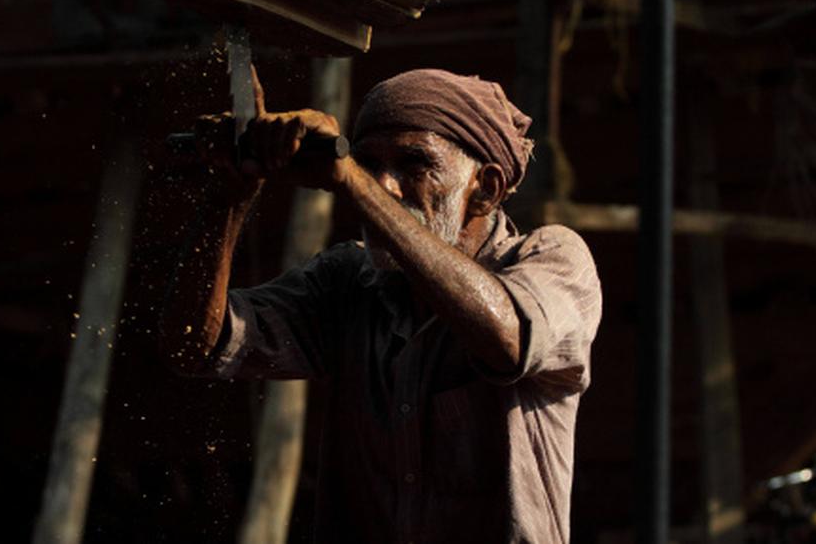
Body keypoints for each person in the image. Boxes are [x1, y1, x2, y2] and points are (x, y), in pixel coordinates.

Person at [160, 68, 602, 543]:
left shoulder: (552, 259)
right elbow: (194, 348)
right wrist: (232, 193)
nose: (385, 185)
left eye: (414, 164)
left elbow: (508, 340)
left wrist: (351, 179)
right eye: (369, 163)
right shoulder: (346, 282)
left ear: (486, 189)